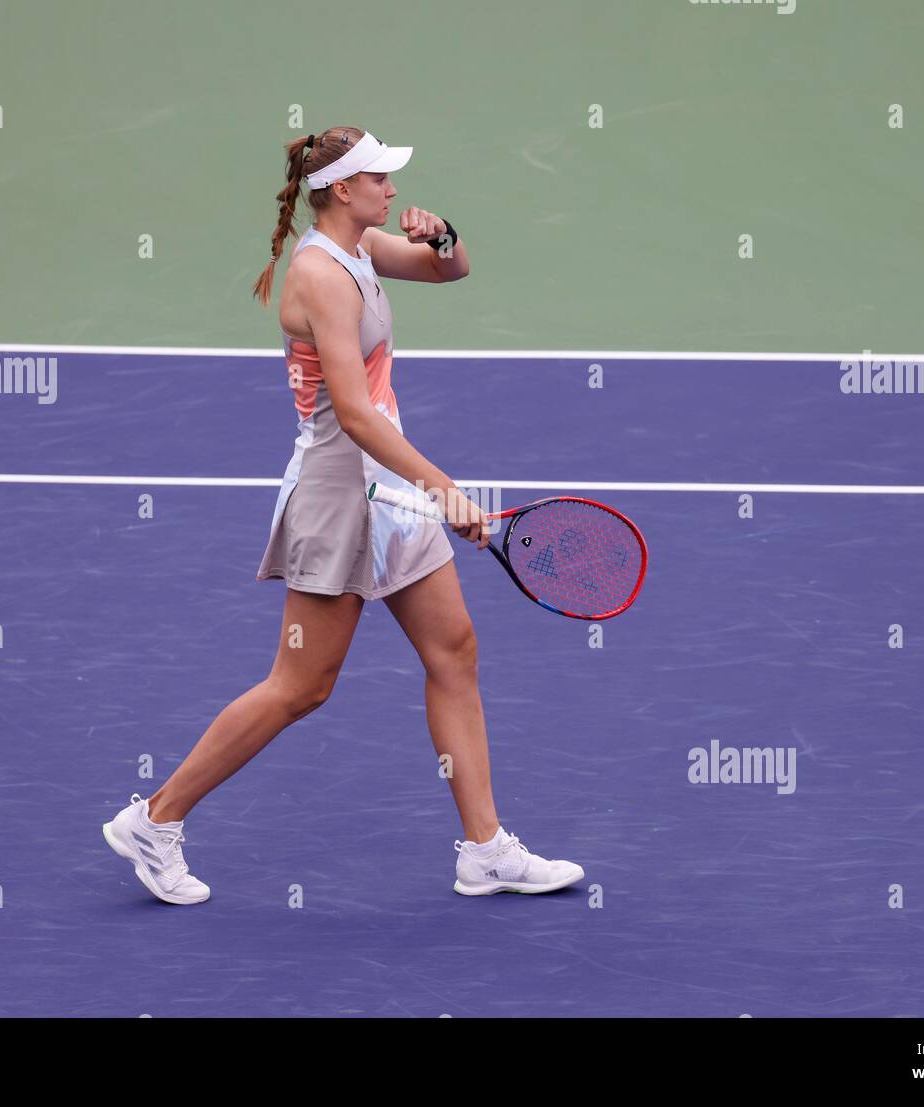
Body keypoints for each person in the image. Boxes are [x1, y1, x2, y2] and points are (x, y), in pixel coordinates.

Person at [103, 126, 585, 904]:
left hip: (387, 486)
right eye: (380, 181)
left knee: (453, 650)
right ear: (340, 190)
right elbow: (356, 418)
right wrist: (443, 488)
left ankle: (486, 848)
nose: (392, 191)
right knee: (301, 685)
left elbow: (450, 270)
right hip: (339, 492)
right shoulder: (322, 276)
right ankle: (155, 821)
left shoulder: (362, 249)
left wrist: (445, 234)